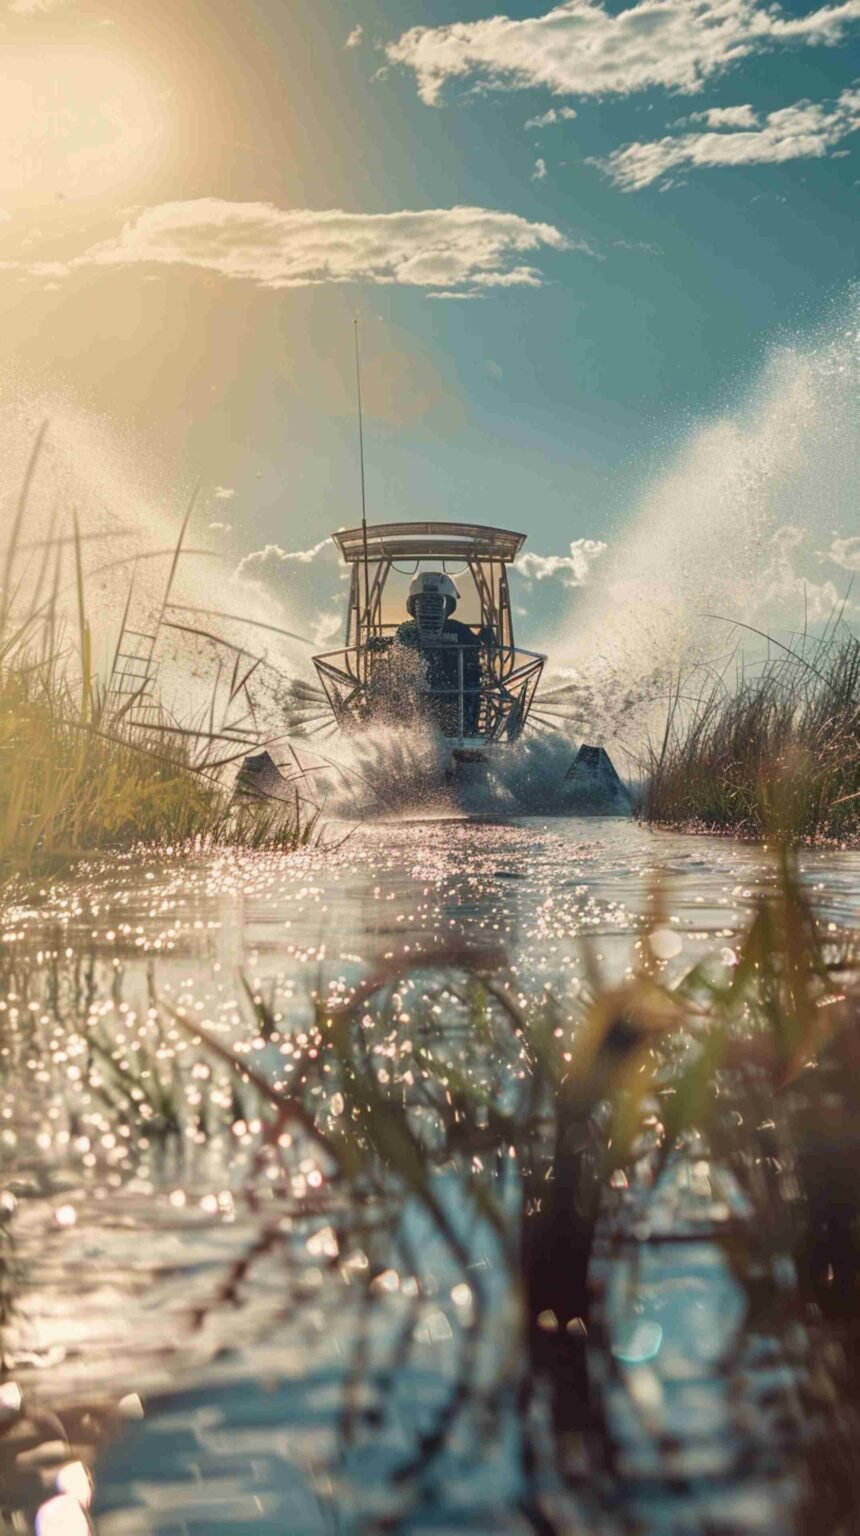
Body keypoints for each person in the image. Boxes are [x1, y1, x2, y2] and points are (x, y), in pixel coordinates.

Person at [394, 572, 493, 736]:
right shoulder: (459, 630)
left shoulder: (406, 631)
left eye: (434, 603)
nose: (429, 608)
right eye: (424, 603)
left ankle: (466, 731)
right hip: (424, 702)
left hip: (453, 701)